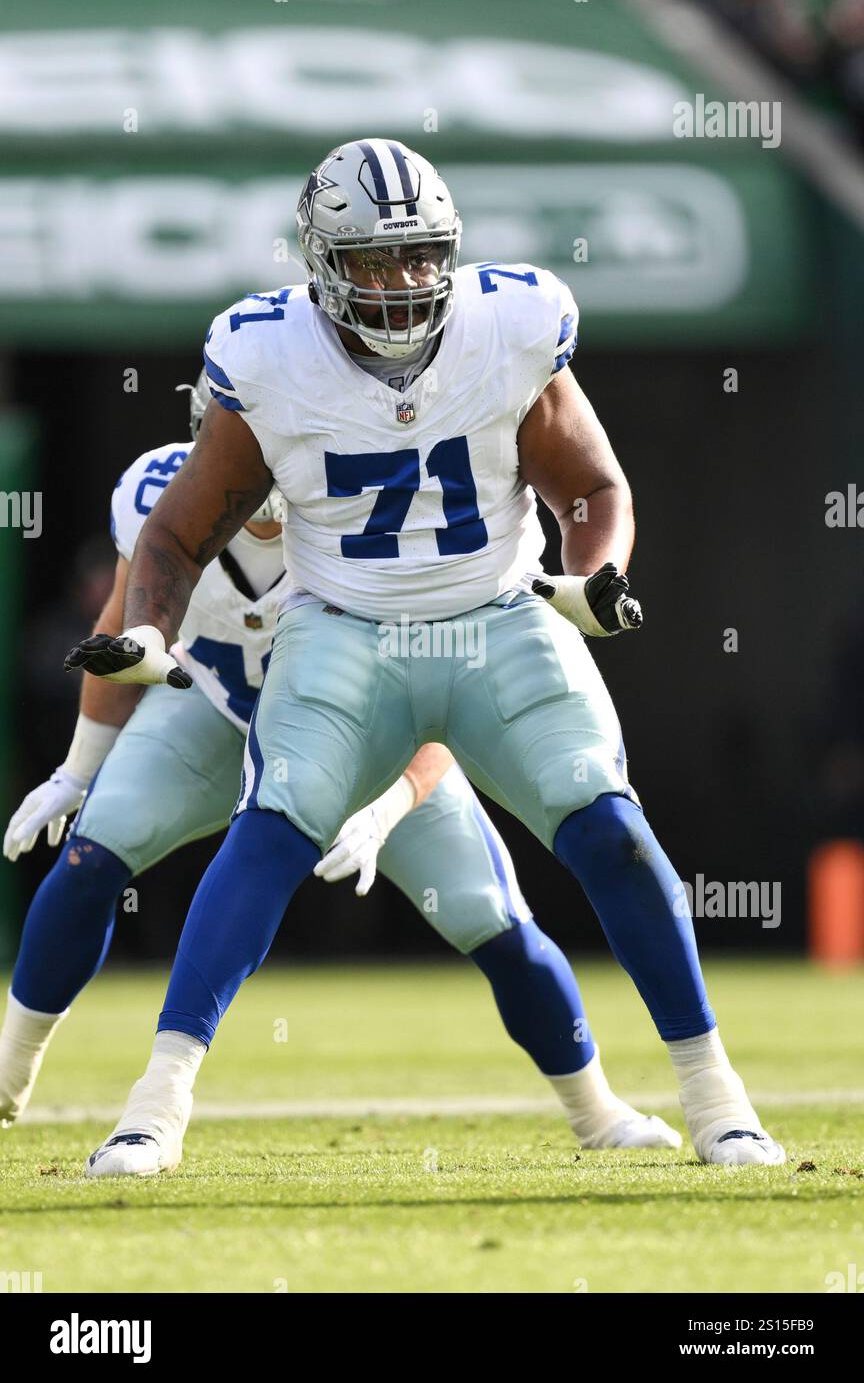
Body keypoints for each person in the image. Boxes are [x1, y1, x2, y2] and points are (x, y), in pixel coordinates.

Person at [67, 139, 783, 1175]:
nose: (403, 283)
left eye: (421, 256)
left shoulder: (511, 325)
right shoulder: (268, 354)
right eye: (374, 261)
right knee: (267, 837)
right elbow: (176, 536)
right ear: (321, 263)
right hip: (345, 633)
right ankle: (155, 1105)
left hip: (497, 619)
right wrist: (152, 634)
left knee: (612, 832)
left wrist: (599, 574)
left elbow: (593, 488)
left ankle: (719, 1100)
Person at [1, 376, 678, 1155]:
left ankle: (596, 1110)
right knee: (92, 853)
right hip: (217, 714)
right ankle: (12, 1077)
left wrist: (391, 803)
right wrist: (77, 772)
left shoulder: (376, 512)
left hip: (377, 737)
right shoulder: (156, 499)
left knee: (492, 921)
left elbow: (439, 681)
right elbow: (122, 627)